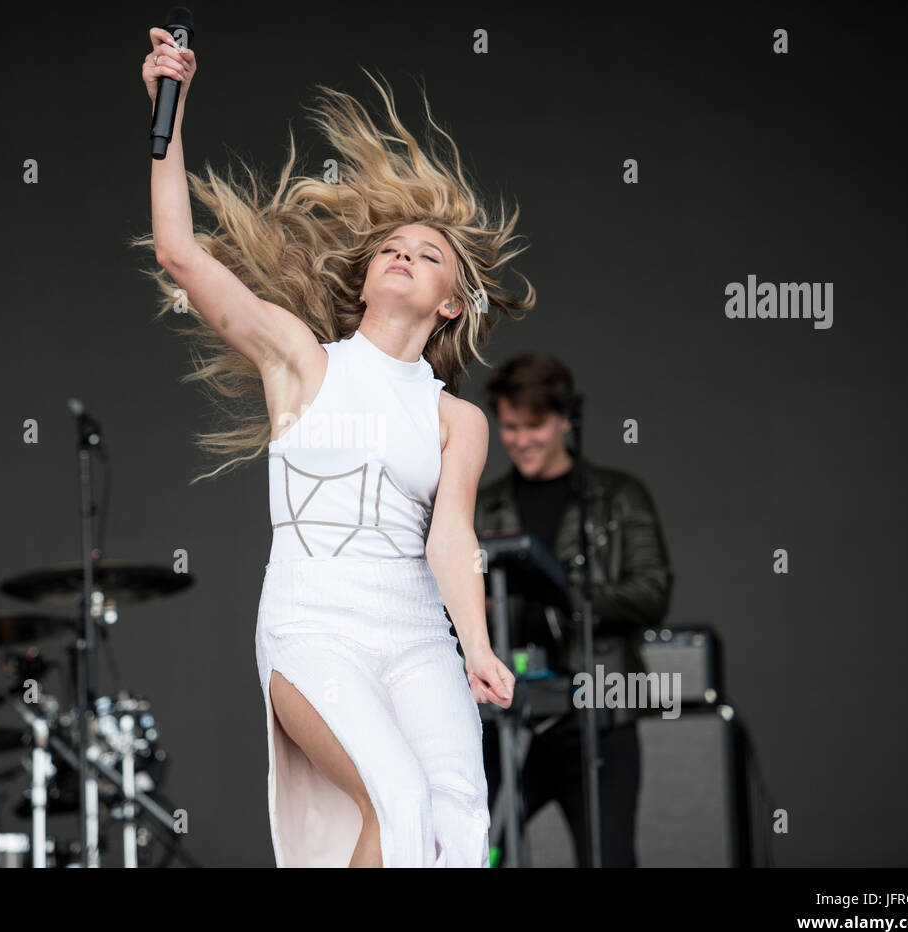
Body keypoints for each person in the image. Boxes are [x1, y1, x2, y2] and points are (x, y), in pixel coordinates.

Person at [134, 28, 538, 866]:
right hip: (314, 626)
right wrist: (165, 109)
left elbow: (452, 538)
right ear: (364, 276)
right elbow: (178, 252)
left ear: (451, 304)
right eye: (392, 246)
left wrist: (479, 647)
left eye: (429, 255)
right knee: (393, 801)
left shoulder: (456, 419)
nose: (404, 253)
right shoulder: (301, 361)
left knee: (458, 825)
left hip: (419, 635)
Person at [474, 354, 674, 866]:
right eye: (510, 426)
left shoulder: (618, 496)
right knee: (478, 852)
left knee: (607, 860)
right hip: (509, 717)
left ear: (566, 419)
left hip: (598, 718)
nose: (520, 440)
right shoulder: (484, 504)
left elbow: (651, 592)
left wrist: (565, 593)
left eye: (534, 425)